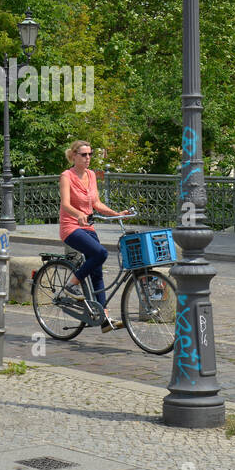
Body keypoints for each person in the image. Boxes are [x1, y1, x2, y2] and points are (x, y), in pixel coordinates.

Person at [58, 140, 129, 332]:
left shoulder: (91, 175)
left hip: (87, 227)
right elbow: (65, 204)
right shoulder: (67, 176)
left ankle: (103, 318)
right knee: (101, 253)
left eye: (90, 154)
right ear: (73, 156)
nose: (88, 158)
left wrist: (116, 214)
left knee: (97, 271)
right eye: (83, 155)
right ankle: (72, 284)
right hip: (70, 227)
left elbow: (96, 203)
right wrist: (78, 214)